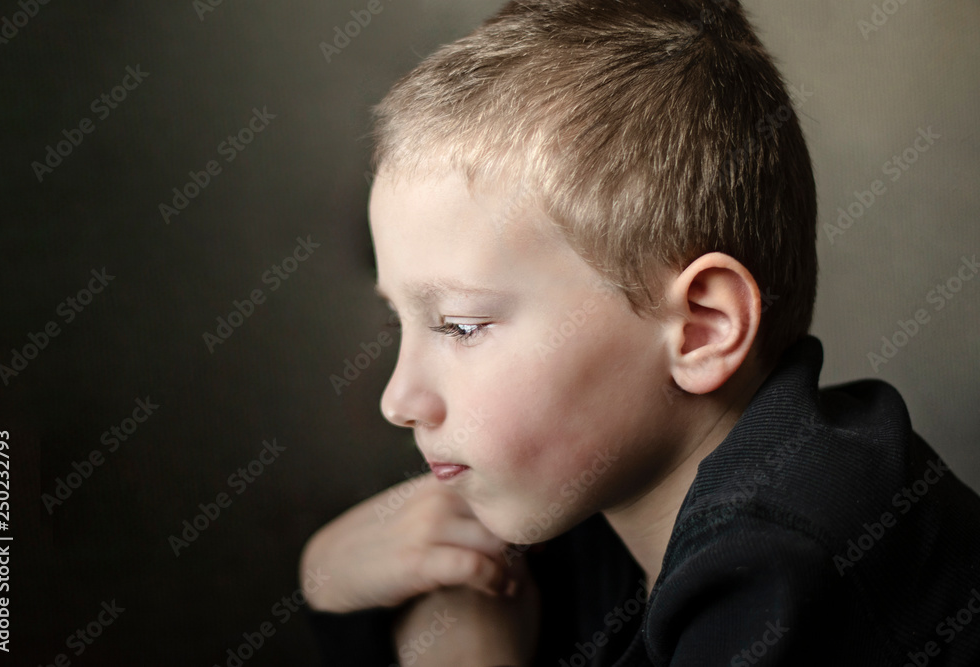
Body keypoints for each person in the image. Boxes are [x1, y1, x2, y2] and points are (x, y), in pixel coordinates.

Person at [298, 1, 980, 664]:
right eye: (402, 323)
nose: (399, 398)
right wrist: (330, 583)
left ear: (700, 328)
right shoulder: (591, 490)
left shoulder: (789, 551)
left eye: (461, 325)